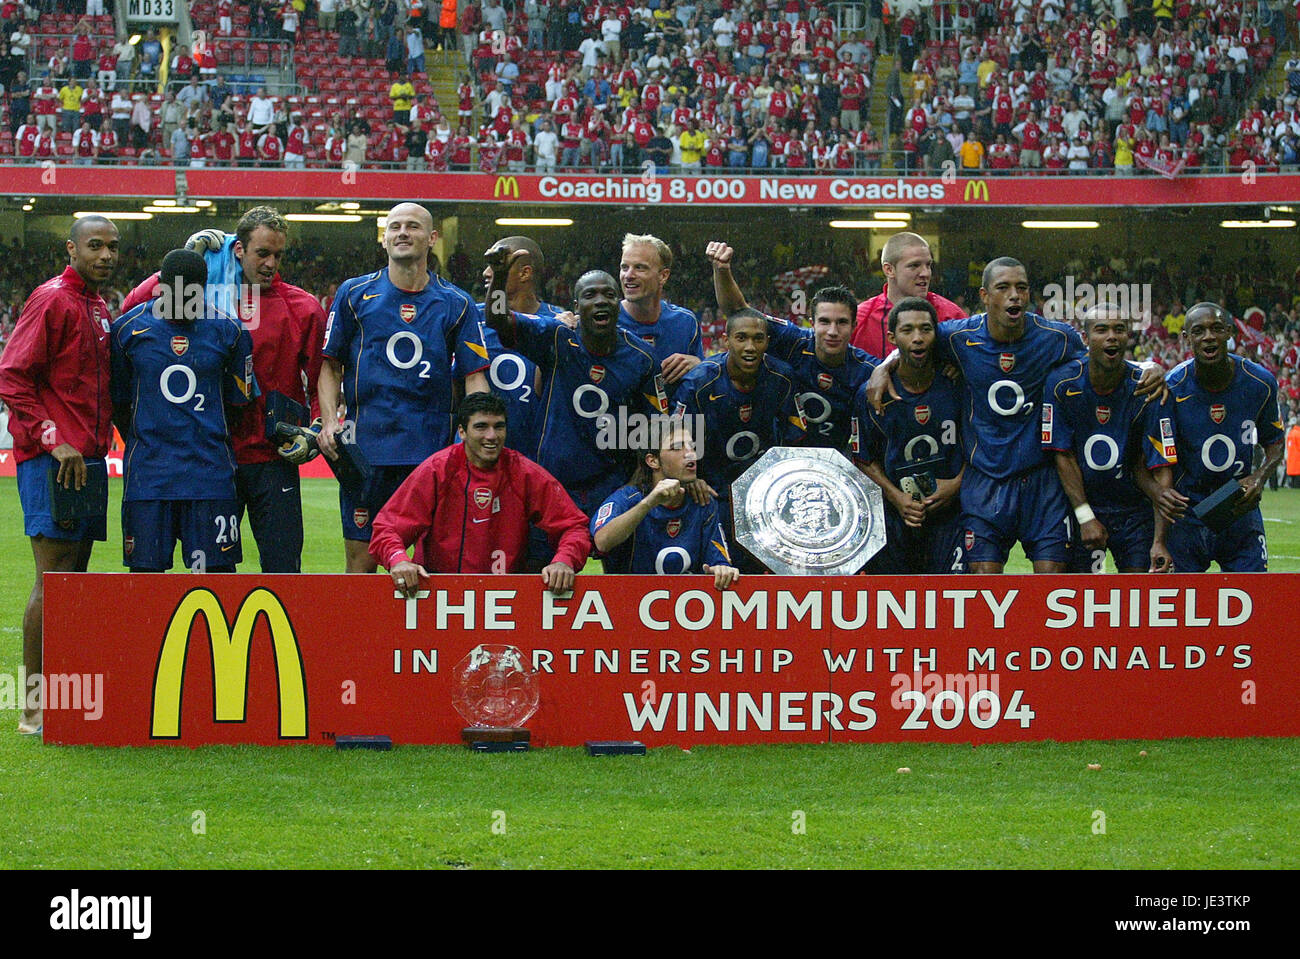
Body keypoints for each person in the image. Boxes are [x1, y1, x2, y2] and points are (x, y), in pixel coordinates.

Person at [863, 257, 1165, 574]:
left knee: (1053, 577)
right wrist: (885, 366)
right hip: (986, 479)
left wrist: (1147, 366)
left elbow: (1102, 353)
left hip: (1040, 479)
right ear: (984, 296)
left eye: (1021, 287)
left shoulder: (1056, 337)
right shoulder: (958, 337)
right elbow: (915, 338)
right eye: (1003, 287)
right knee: (983, 580)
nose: (1014, 295)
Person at [122, 207, 327, 573]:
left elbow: (320, 378)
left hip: (272, 459)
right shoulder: (209, 298)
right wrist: (187, 258)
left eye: (278, 255)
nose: (270, 263)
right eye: (262, 253)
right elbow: (135, 311)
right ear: (238, 250)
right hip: (213, 461)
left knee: (284, 569)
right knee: (212, 572)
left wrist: (317, 428)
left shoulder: (304, 307)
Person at [318, 202, 489, 573]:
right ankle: (362, 633)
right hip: (365, 453)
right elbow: (330, 366)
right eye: (394, 227)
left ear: (431, 238)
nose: (402, 233)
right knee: (361, 563)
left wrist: (476, 435)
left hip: (432, 454)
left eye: (412, 226)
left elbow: (475, 375)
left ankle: (425, 635)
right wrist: (329, 421)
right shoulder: (353, 294)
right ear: (384, 239)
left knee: (438, 562)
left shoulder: (457, 303)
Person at [0, 215, 119, 735]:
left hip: (89, 460)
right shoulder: (51, 299)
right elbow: (12, 376)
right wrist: (54, 439)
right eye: (95, 246)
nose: (106, 255)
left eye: (113, 247)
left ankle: (64, 700)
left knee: (74, 580)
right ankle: (32, 708)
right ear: (71, 248)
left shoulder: (97, 306)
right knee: (53, 579)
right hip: (54, 460)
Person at [481, 246, 667, 518]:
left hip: (613, 484)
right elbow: (498, 319)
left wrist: (641, 475)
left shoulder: (643, 358)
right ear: (577, 307)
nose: (601, 300)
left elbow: (657, 423)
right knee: (548, 561)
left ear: (619, 303)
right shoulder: (555, 337)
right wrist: (499, 276)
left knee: (618, 560)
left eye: (609, 295)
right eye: (590, 295)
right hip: (554, 480)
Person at [110, 249, 256, 575]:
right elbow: (118, 404)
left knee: (215, 584)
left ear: (203, 289)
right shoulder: (127, 331)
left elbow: (238, 405)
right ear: (159, 286)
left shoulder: (229, 331)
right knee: (146, 586)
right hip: (149, 481)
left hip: (210, 480)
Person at [369, 392, 590, 596]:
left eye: (499, 426)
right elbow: (386, 529)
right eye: (481, 427)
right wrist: (399, 560)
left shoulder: (523, 473)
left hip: (505, 597)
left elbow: (574, 526)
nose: (492, 436)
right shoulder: (438, 470)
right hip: (437, 597)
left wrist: (564, 561)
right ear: (462, 432)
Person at [1043, 305, 1178, 573]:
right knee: (1082, 599)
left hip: (1133, 511)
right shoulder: (1061, 384)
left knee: (1141, 598)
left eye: (1119, 329)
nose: (1112, 336)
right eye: (1101, 329)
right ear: (1085, 337)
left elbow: (1161, 467)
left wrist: (1160, 541)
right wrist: (1085, 517)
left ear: (1129, 336)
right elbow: (1063, 455)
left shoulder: (1148, 387)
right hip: (1082, 507)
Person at [708, 239, 877, 452]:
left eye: (841, 322)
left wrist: (887, 368)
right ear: (812, 323)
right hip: (787, 458)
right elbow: (739, 312)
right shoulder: (793, 340)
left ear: (854, 325)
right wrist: (722, 270)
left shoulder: (867, 368)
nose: (832, 331)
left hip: (839, 464)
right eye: (824, 322)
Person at [672, 307, 807, 571]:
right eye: (741, 337)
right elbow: (674, 440)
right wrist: (692, 478)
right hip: (709, 489)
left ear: (768, 342)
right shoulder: (698, 383)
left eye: (758, 338)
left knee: (764, 572)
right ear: (726, 340)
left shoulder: (783, 378)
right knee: (716, 569)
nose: (750, 346)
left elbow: (797, 437)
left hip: (763, 494)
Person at [1162, 303, 1285, 572]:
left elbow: (1275, 442)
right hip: (1186, 513)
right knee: (1182, 606)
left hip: (1238, 507)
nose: (1208, 336)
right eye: (1199, 331)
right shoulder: (1171, 387)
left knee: (1253, 598)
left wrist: (1259, 476)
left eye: (1217, 328)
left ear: (1229, 332)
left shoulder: (1260, 383)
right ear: (1186, 338)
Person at [852, 297, 966, 574]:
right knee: (892, 606)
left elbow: (980, 445)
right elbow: (861, 458)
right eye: (907, 330)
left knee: (954, 601)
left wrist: (956, 484)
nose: (917, 338)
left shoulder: (958, 385)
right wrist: (896, 498)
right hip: (893, 518)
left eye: (925, 329)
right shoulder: (870, 395)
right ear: (892, 337)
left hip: (951, 516)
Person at [592, 417, 740, 589]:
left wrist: (722, 569)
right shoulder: (627, 499)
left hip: (688, 607)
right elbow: (602, 541)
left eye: (692, 446)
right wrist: (649, 503)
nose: (690, 453)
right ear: (653, 461)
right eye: (677, 447)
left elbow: (719, 562)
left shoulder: (703, 502)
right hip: (629, 605)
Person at [851, 231, 966, 360]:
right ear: (889, 270)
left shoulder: (952, 315)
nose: (925, 273)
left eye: (928, 265)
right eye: (914, 265)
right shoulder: (860, 319)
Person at [617, 233, 703, 386]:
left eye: (640, 268)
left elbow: (705, 385)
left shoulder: (685, 322)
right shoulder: (605, 320)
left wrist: (698, 365)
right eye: (624, 267)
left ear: (663, 276)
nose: (628, 275)